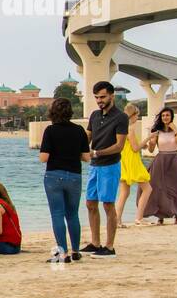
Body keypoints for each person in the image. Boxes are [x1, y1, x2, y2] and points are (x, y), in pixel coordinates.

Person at [38, 96, 90, 263]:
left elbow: (44, 158)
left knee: (57, 215)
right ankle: (75, 250)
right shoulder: (79, 130)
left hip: (54, 175)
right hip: (74, 175)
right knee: (73, 214)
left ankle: (63, 253)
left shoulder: (50, 131)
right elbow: (86, 157)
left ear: (53, 112)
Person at [83, 81, 128, 258]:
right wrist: (78, 150)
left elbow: (119, 146)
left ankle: (109, 247)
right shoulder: (94, 115)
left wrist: (96, 152)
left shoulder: (121, 117)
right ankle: (95, 243)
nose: (99, 100)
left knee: (108, 204)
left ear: (111, 95)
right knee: (90, 203)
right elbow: (87, 137)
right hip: (94, 166)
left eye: (102, 97)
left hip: (110, 166)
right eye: (96, 97)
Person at [142, 107, 177, 225]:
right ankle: (160, 216)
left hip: (174, 160)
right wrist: (151, 142)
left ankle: (176, 214)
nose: (165, 117)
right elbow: (151, 150)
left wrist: (174, 128)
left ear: (171, 117)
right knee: (158, 188)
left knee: (175, 188)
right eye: (163, 116)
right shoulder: (157, 131)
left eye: (167, 115)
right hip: (160, 160)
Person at [116, 103, 152, 227]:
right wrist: (149, 138)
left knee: (124, 193)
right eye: (137, 115)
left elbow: (132, 146)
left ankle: (117, 220)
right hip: (132, 162)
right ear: (133, 115)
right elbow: (136, 148)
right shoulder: (130, 129)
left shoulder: (121, 127)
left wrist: (143, 144)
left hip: (123, 161)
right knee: (147, 189)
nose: (138, 118)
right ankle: (139, 218)